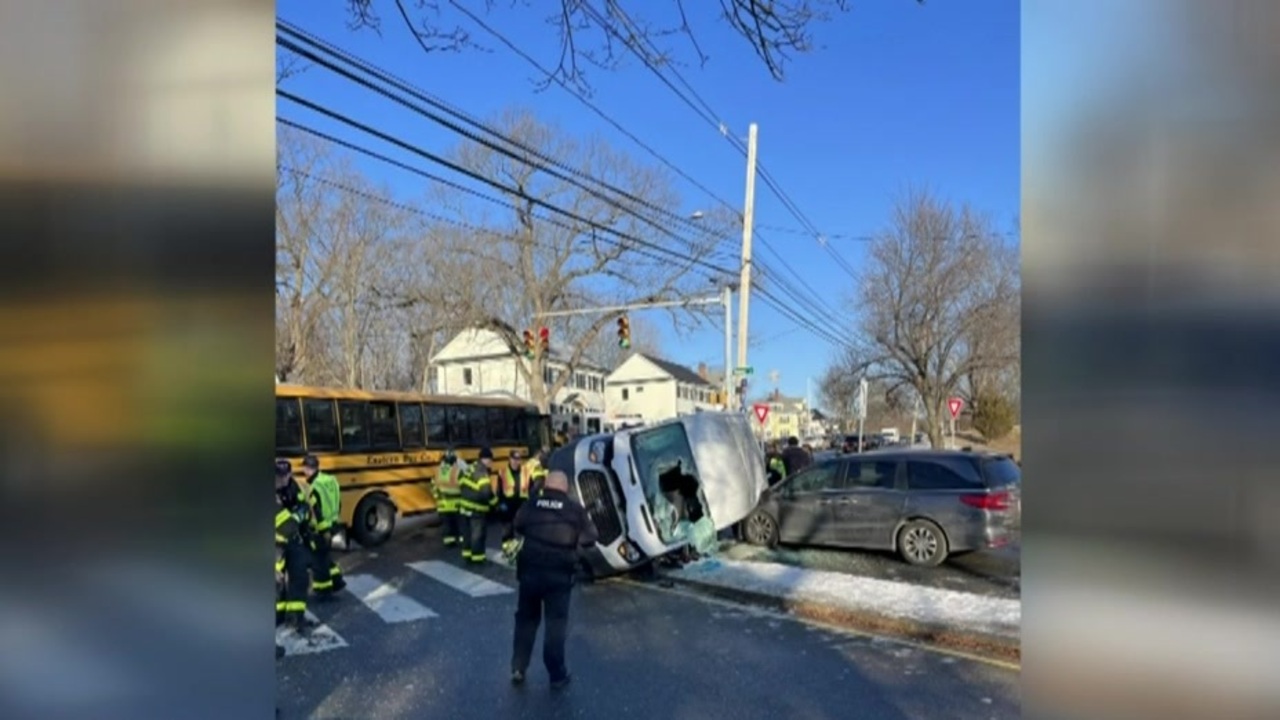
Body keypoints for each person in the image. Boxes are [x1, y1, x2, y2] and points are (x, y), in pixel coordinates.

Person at [509, 470, 598, 689]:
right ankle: (556, 675)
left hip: (530, 573)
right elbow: (591, 536)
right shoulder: (574, 510)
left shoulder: (531, 504)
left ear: (546, 485)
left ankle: (519, 667)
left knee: (526, 621)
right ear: (565, 488)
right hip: (559, 576)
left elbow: (517, 525)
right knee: (555, 625)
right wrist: (575, 543)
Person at [275, 460, 316, 635]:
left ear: (290, 474)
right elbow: (286, 523)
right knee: (277, 584)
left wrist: (307, 531)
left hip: (294, 541)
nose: (281, 478)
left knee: (299, 578)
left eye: (284, 475)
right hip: (277, 545)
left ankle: (296, 617)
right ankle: (278, 616)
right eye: (278, 475)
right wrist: (298, 516)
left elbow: (304, 509)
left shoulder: (295, 488)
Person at [301, 455, 346, 599]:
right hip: (334, 522)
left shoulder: (313, 487)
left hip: (321, 528)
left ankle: (324, 592)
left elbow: (317, 512)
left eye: (304, 468)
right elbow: (338, 501)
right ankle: (337, 580)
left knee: (318, 560)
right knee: (324, 555)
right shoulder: (330, 480)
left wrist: (322, 529)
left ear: (308, 469)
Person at [458, 447, 497, 564]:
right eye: (490, 460)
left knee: (467, 534)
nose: (491, 463)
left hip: (464, 507)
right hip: (476, 509)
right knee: (478, 535)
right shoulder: (482, 472)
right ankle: (478, 559)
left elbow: (460, 482)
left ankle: (467, 556)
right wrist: (496, 504)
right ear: (486, 460)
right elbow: (486, 493)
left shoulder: (470, 467)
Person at [497, 450, 531, 554]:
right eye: (514, 459)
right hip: (508, 504)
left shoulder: (525, 471)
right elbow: (499, 490)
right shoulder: (502, 471)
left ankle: (525, 548)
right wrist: (501, 504)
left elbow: (531, 486)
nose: (516, 462)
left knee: (524, 528)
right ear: (510, 459)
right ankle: (508, 549)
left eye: (518, 459)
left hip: (522, 504)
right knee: (508, 529)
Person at [435, 446, 465, 546]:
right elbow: (464, 485)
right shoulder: (456, 471)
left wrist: (438, 498)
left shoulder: (438, 471)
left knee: (447, 525)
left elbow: (434, 486)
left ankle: (449, 541)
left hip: (443, 504)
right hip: (456, 504)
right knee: (460, 524)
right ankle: (462, 540)